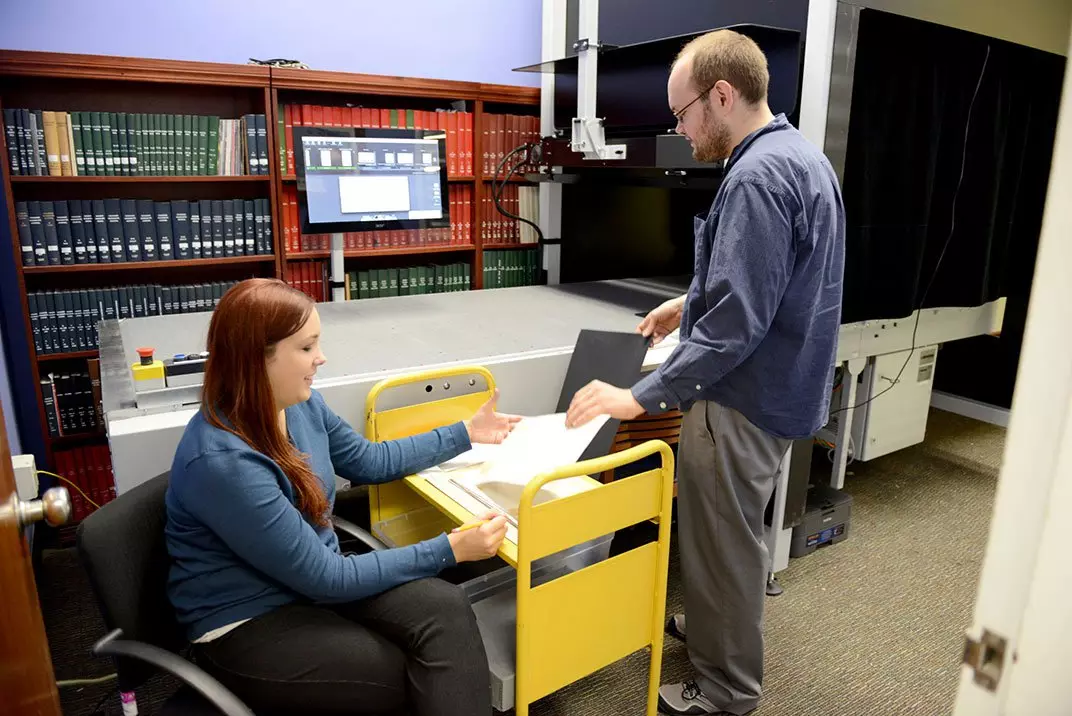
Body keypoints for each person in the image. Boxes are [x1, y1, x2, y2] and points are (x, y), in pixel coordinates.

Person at [566, 29, 845, 716]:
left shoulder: (753, 178)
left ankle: (725, 692)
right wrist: (684, 302)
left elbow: (732, 328)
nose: (681, 129)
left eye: (684, 112)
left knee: (724, 549)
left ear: (722, 94)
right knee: (733, 537)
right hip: (783, 391)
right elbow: (766, 284)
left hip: (739, 402)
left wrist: (640, 396)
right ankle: (718, 634)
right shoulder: (799, 158)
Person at [165, 277, 519, 716]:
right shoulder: (223, 462)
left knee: (443, 606)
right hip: (247, 621)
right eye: (307, 347)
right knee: (394, 670)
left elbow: (369, 461)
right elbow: (327, 577)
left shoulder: (296, 403)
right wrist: (449, 549)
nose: (322, 358)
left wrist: (465, 433)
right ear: (258, 358)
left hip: (308, 584)